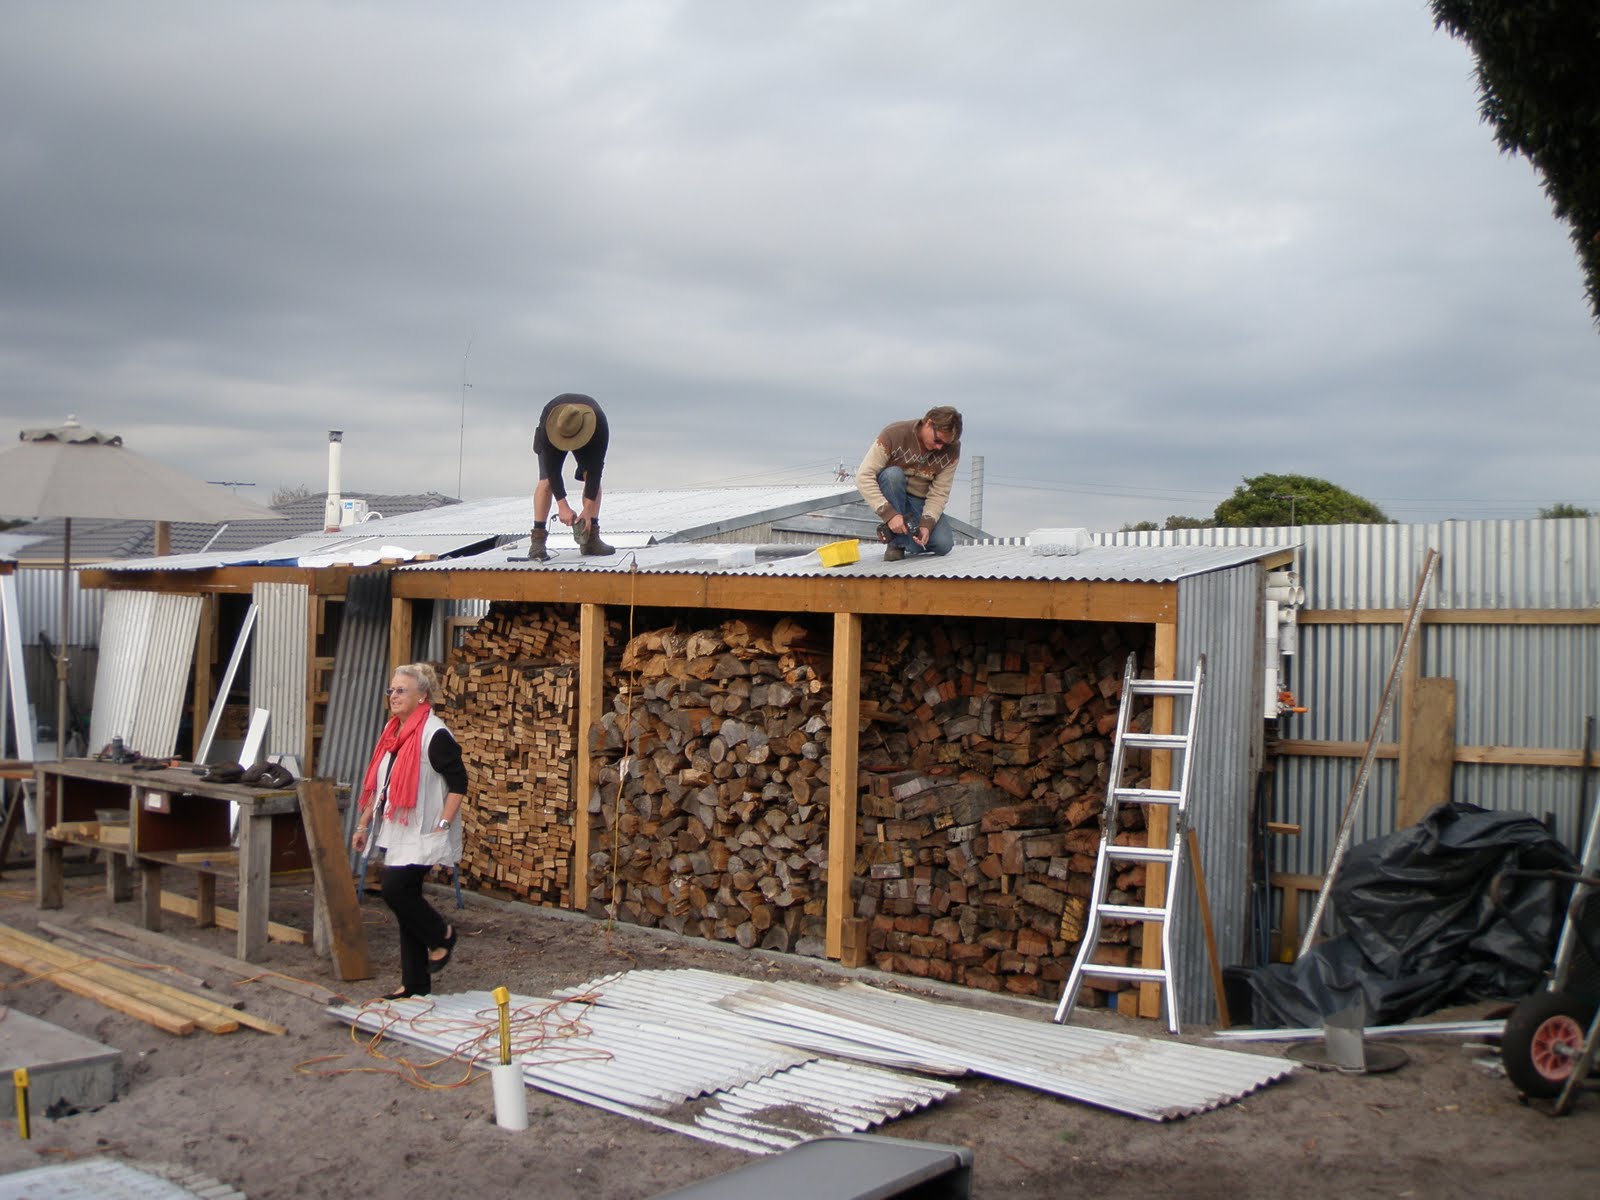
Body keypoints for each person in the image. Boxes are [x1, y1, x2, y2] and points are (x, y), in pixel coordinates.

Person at [350, 663, 469, 1000]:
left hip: (425, 829)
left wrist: (443, 823)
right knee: (406, 901)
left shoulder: (435, 734)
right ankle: (415, 984)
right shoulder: (394, 734)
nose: (393, 696)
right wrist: (363, 825)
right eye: (391, 690)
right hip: (399, 828)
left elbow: (460, 782)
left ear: (422, 696)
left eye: (401, 690)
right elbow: (380, 784)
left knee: (395, 889)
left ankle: (442, 935)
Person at [856, 405, 963, 562]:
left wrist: (927, 524)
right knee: (892, 475)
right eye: (938, 440)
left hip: (919, 501)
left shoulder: (952, 449)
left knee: (943, 545)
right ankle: (896, 544)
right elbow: (863, 476)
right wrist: (890, 515)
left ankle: (903, 537)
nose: (940, 447)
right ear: (928, 423)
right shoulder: (894, 434)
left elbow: (940, 492)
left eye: (945, 444)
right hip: (892, 494)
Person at [530, 393, 614, 560]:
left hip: (590, 434)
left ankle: (591, 539)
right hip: (552, 428)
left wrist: (587, 511)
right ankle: (537, 542)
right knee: (546, 482)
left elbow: (595, 474)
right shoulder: (549, 426)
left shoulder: (599, 427)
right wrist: (563, 506)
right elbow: (552, 470)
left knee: (591, 480)